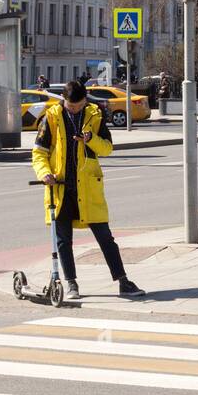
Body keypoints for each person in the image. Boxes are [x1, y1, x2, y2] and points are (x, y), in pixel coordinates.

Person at [31, 80, 144, 299]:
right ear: (63, 100)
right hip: (61, 188)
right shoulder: (51, 118)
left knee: (105, 237)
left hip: (89, 188)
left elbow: (107, 149)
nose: (74, 109)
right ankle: (71, 284)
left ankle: (123, 281)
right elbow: (39, 152)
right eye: (71, 106)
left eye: (79, 105)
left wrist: (90, 140)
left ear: (85, 101)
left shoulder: (95, 116)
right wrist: (45, 173)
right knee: (63, 240)